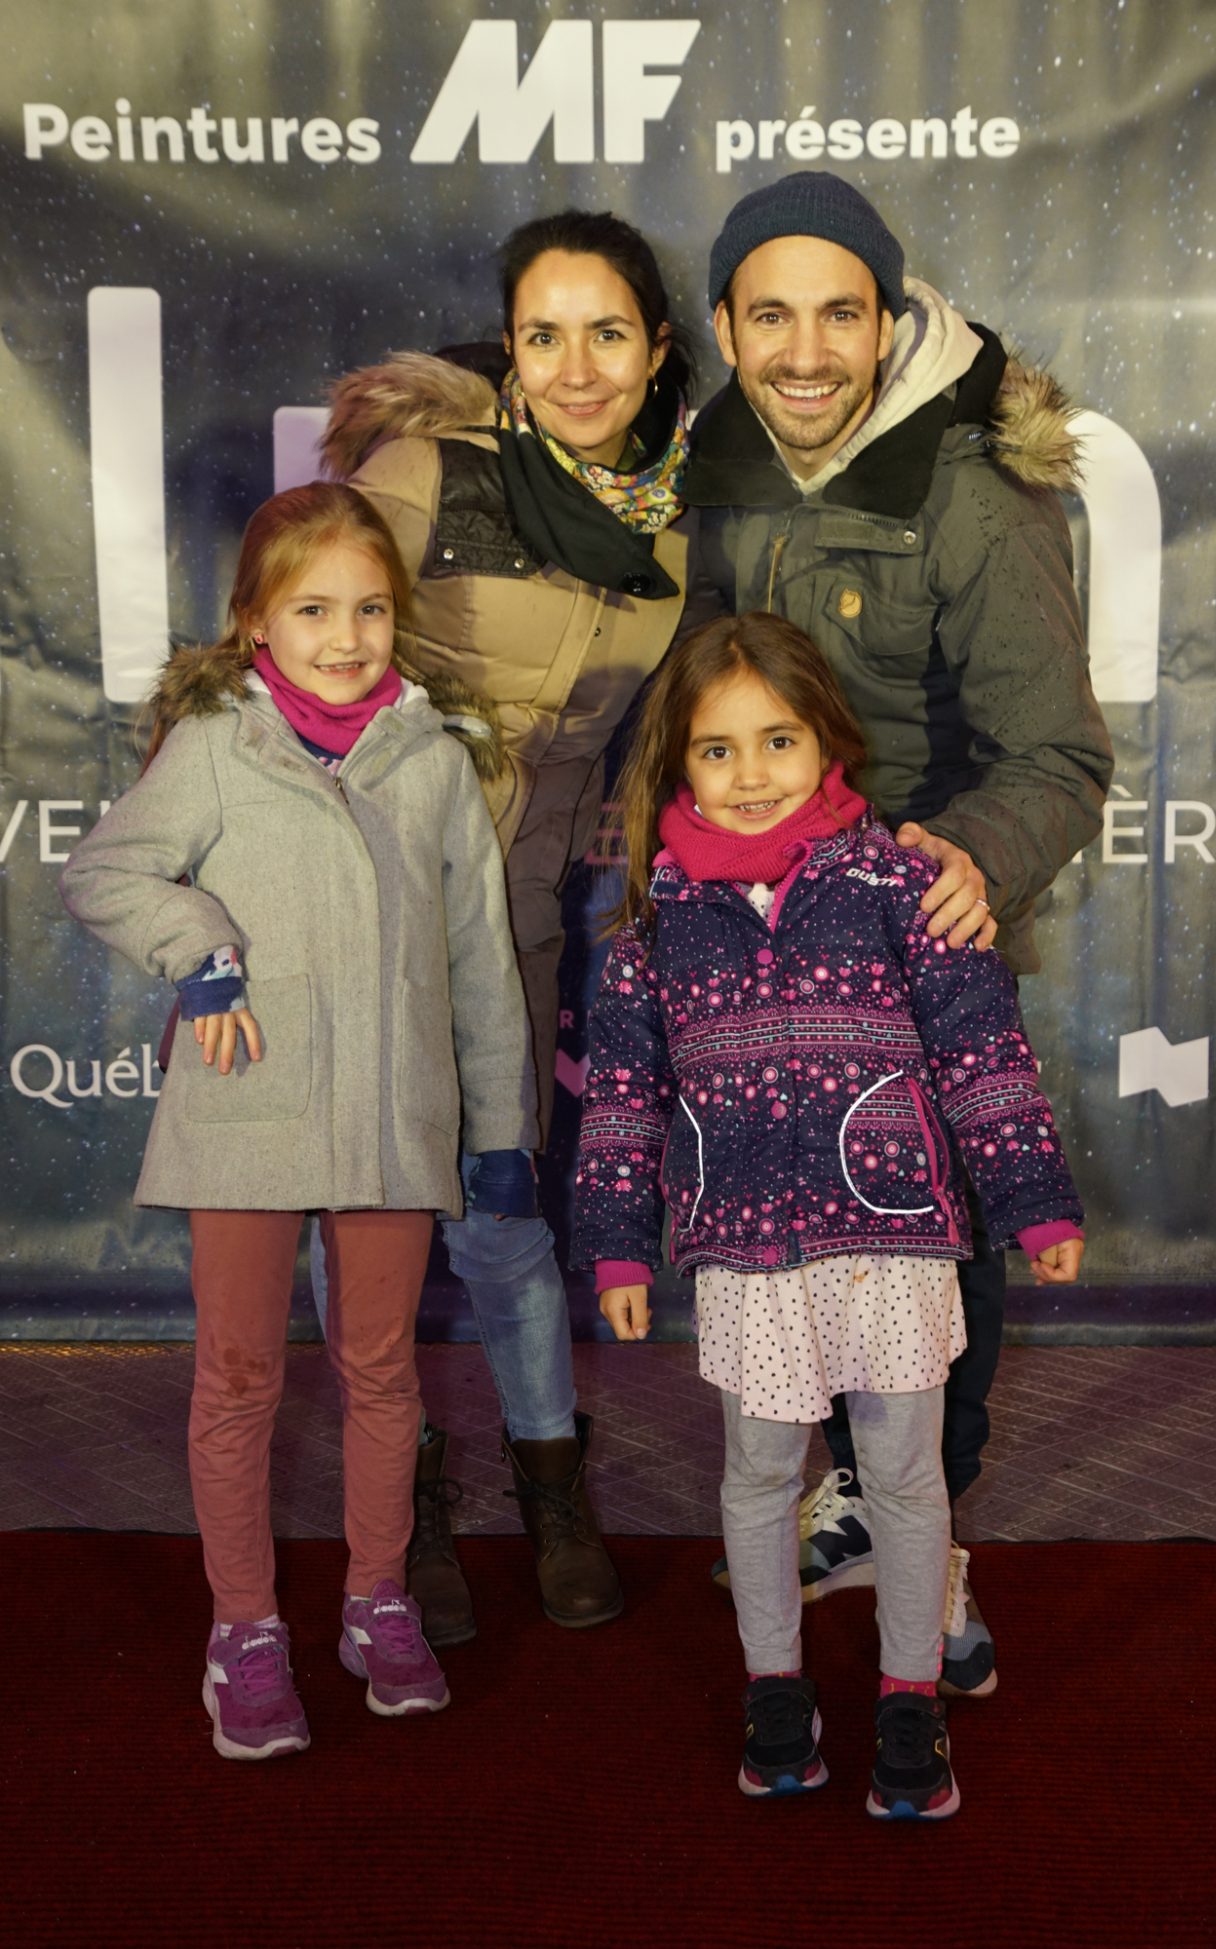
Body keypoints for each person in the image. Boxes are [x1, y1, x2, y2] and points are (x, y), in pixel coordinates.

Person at [683, 171, 1113, 1692]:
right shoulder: (715, 464)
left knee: (931, 1234)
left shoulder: (973, 490)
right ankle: (844, 1494)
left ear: (887, 321)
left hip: (912, 938)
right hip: (755, 936)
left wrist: (965, 861)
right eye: (771, 316)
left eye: (839, 315)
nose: (805, 353)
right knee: (787, 1229)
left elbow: (1056, 755)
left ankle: (920, 1518)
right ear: (724, 327)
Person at [574, 613, 1083, 1814]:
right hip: (746, 1257)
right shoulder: (651, 929)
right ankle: (774, 1689)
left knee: (902, 1475)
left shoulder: (906, 888)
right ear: (678, 762)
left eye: (778, 740)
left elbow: (980, 1055)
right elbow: (621, 1099)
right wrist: (614, 1247)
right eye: (717, 749)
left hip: (891, 1246)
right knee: (757, 1475)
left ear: (827, 743)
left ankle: (908, 1697)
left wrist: (1033, 1200)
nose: (750, 773)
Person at [60, 483, 537, 1761]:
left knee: (382, 1369)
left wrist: (498, 1127)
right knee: (238, 1373)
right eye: (313, 609)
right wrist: (201, 946)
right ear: (256, 621)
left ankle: (377, 1597)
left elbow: (479, 957)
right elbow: (106, 869)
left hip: (392, 1115)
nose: (345, 636)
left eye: (370, 609)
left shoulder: (435, 757)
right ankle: (245, 1626)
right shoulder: (219, 741)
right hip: (248, 1106)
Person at [320, 210, 707, 1639]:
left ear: (656, 347)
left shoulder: (676, 523)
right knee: (370, 1221)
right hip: (365, 916)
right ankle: (403, 1495)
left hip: (520, 923)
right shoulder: (430, 471)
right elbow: (297, 655)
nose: (576, 367)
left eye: (607, 333)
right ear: (510, 348)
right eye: (544, 336)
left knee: (501, 1221)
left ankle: (551, 1485)